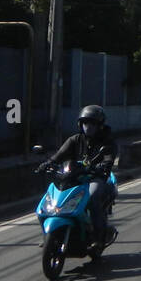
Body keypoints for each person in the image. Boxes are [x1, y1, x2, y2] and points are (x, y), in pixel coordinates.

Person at [40, 104, 118, 248]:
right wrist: (48, 163)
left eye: (92, 124)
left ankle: (97, 236)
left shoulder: (106, 141)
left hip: (96, 177)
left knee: (92, 196)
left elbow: (109, 157)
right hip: (75, 176)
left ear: (100, 126)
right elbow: (59, 155)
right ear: (80, 124)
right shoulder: (75, 140)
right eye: (85, 123)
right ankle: (49, 234)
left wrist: (104, 164)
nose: (88, 127)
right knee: (53, 197)